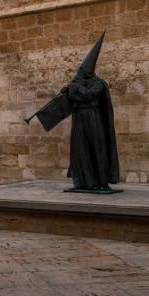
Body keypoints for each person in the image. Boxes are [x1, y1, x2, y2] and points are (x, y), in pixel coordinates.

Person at [62, 32, 120, 192]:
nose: (81, 71)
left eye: (83, 69)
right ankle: (84, 181)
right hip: (79, 119)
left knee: (97, 148)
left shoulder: (98, 83)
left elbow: (90, 95)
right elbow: (73, 97)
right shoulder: (77, 83)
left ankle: (101, 181)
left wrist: (76, 89)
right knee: (80, 149)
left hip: (93, 118)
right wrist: (68, 92)